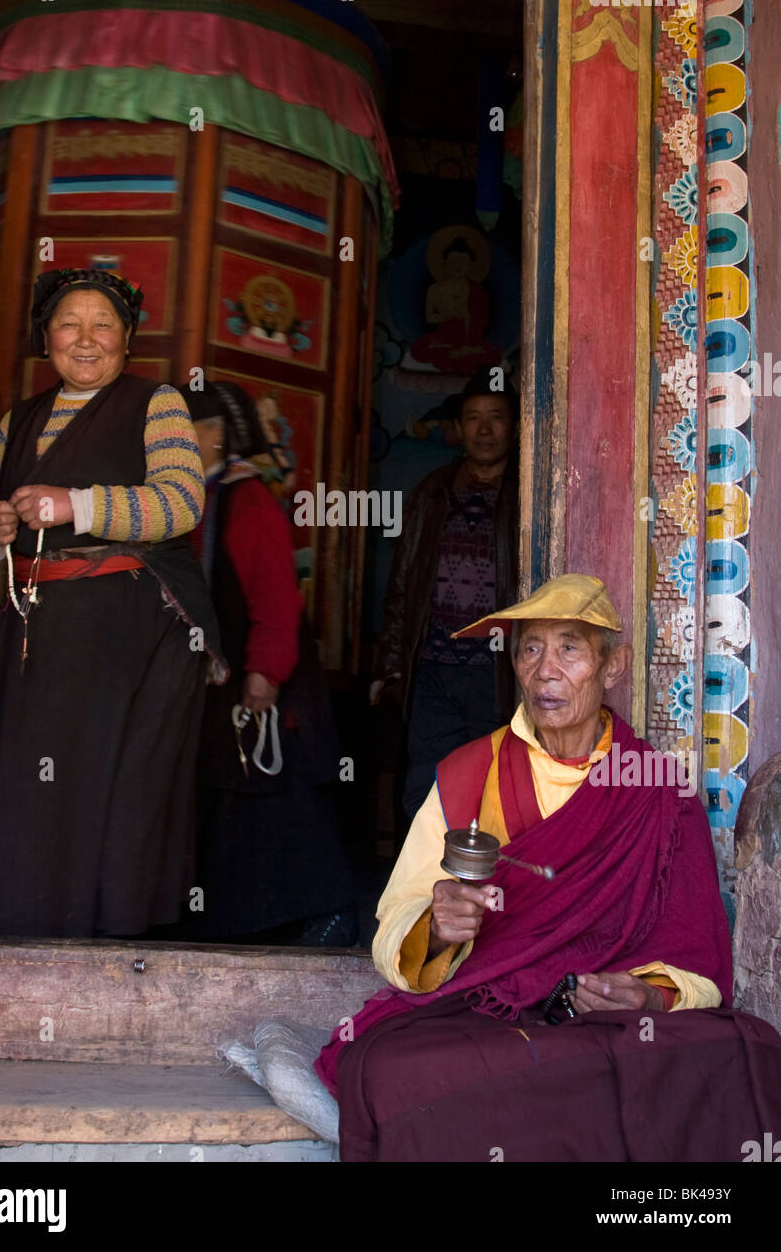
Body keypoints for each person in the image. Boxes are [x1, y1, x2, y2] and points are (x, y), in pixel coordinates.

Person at [316, 575, 781, 1161]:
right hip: (492, 1008)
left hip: (606, 1023)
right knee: (387, 1066)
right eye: (530, 648)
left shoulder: (657, 789)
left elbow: (696, 954)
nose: (544, 671)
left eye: (569, 649)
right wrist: (432, 929)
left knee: (745, 1049)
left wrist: (647, 997)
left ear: (614, 667)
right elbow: (396, 917)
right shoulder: (469, 774)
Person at [0, 267, 225, 938]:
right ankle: (16, 922)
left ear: (126, 340)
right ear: (46, 338)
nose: (85, 340)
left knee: (97, 779)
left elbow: (181, 503)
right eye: (69, 324)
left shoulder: (157, 403)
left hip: (119, 622)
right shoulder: (19, 419)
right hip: (35, 620)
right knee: (22, 778)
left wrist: (75, 504)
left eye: (104, 326)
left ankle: (96, 927)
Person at [181, 381, 357, 946]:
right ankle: (243, 926)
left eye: (185, 431)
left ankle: (328, 916)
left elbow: (276, 594)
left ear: (215, 436)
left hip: (260, 683)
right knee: (239, 808)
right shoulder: (193, 500)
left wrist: (265, 671)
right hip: (220, 687)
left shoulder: (246, 498)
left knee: (282, 805)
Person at [371, 368, 518, 818]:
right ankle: (427, 887)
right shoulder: (431, 493)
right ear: (457, 429)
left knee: (496, 791)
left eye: (496, 417)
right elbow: (403, 585)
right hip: (433, 669)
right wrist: (391, 665)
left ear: (514, 426)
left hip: (498, 674)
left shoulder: (529, 494)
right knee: (426, 790)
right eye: (473, 418)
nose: (485, 429)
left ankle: (489, 889)